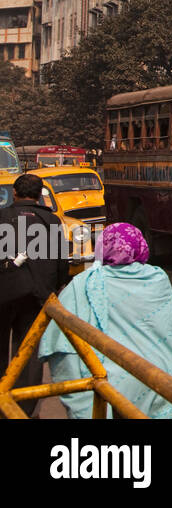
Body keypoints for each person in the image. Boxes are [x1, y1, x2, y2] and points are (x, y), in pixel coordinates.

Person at [38, 223, 172, 418]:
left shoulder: (84, 283)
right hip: (163, 385)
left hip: (108, 389)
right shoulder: (158, 279)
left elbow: (60, 344)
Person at [0, 173, 68, 415]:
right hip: (37, 295)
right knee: (28, 350)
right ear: (40, 196)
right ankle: (23, 407)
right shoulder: (51, 220)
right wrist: (55, 287)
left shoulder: (2, 216)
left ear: (15, 193)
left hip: (3, 292)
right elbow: (62, 262)